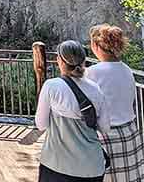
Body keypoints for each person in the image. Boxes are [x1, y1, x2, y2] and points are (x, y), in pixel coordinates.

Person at [35, 40, 111, 182]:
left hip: (57, 164)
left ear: (60, 61)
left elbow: (41, 124)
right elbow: (105, 127)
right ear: (83, 61)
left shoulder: (52, 86)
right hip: (92, 167)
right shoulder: (95, 89)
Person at [86, 25, 144, 182]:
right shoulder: (126, 70)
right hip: (130, 132)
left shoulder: (92, 72)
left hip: (105, 136)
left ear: (95, 46)